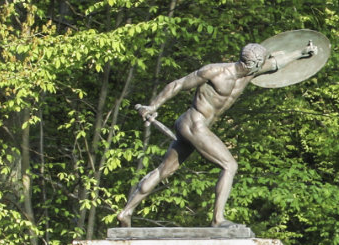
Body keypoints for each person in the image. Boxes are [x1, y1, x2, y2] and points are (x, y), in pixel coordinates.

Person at [115, 39, 318, 227]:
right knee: (230, 165)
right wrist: (152, 106)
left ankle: (126, 213)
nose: (265, 64)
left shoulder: (249, 73)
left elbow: (276, 63)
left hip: (198, 126)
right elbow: (178, 84)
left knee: (163, 171)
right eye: (262, 62)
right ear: (254, 63)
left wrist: (301, 52)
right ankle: (218, 220)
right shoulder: (215, 71)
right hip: (194, 122)